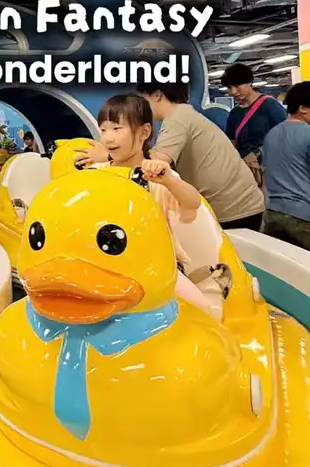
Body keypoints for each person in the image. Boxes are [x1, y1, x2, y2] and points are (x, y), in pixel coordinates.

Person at [80, 94, 224, 317]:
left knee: (203, 311)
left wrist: (169, 180)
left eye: (117, 128)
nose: (108, 138)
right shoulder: (95, 173)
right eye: (104, 130)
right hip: (105, 262)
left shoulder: (155, 174)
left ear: (144, 132)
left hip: (154, 265)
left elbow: (193, 202)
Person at [79, 82, 264, 231]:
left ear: (157, 95)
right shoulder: (184, 114)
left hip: (234, 209)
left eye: (143, 99)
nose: (108, 137)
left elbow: (156, 161)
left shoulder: (177, 119)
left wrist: (108, 156)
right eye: (103, 130)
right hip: (238, 202)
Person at [261, 82, 310, 251]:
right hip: (303, 217)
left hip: (273, 213)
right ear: (303, 108)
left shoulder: (271, 134)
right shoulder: (308, 134)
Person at [221, 63, 287, 184]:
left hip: (270, 168)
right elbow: (232, 143)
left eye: (237, 86)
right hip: (246, 170)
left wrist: (259, 154)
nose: (233, 91)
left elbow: (285, 136)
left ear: (249, 82)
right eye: (229, 87)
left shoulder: (270, 105)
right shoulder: (235, 113)